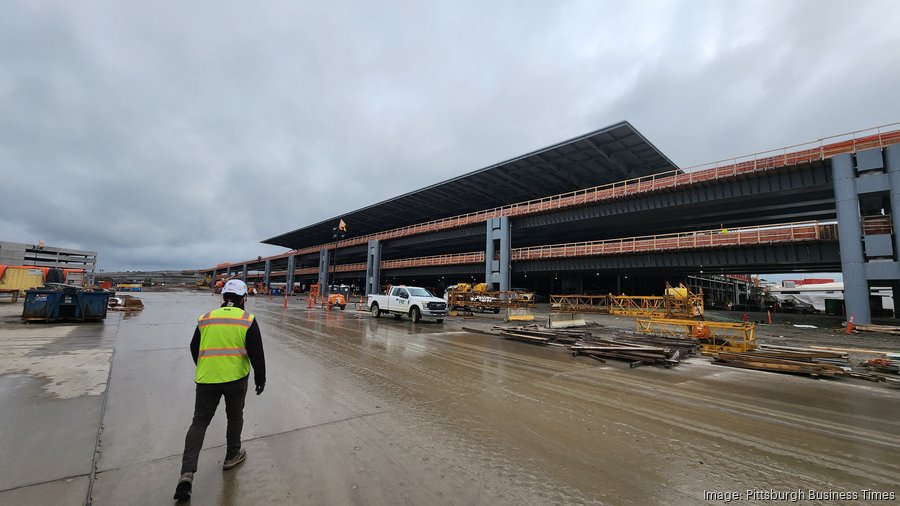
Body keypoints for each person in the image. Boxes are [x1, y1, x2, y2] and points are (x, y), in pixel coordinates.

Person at [174, 279, 266, 501]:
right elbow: (256, 353)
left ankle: (186, 473)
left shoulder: (206, 318)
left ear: (224, 297)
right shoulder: (248, 320)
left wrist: (205, 366)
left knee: (199, 422)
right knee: (234, 417)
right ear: (243, 298)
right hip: (236, 379)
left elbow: (193, 346)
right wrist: (260, 378)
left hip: (206, 380)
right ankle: (232, 455)